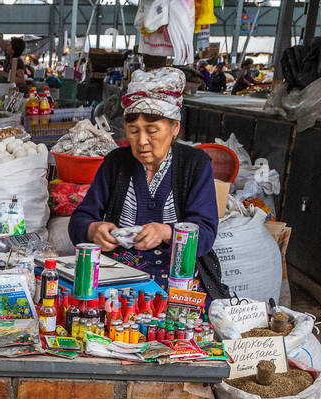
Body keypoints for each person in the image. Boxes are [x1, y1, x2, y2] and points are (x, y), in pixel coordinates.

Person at [68, 68, 225, 294]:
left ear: (174, 128)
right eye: (134, 131)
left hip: (178, 276)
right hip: (118, 272)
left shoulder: (195, 164)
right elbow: (79, 219)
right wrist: (92, 229)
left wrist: (167, 233)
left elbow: (206, 232)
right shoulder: (115, 162)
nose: (142, 141)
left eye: (152, 131)